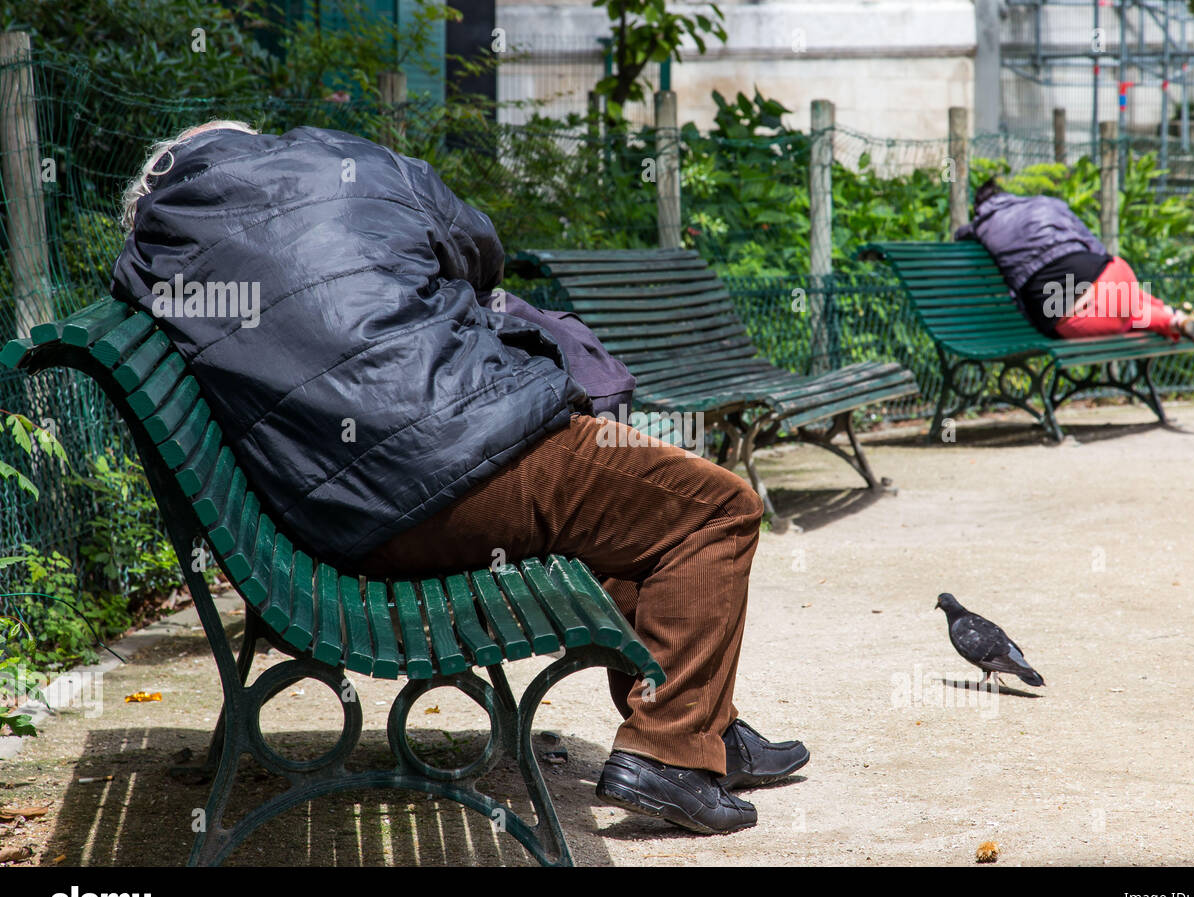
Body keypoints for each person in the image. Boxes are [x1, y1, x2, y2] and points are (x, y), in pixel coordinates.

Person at [111, 120, 809, 835]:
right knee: (715, 507)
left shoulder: (151, 257)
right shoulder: (340, 159)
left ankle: (703, 728)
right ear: (250, 142)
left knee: (640, 516)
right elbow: (478, 251)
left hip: (339, 523)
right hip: (464, 450)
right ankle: (670, 754)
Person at [955, 178, 1194, 360]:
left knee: (1114, 313)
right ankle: (1175, 318)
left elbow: (968, 244)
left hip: (1075, 313)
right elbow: (1093, 245)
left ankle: (1171, 318)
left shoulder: (982, 227)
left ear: (979, 208)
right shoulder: (1046, 203)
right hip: (1114, 274)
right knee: (1125, 305)